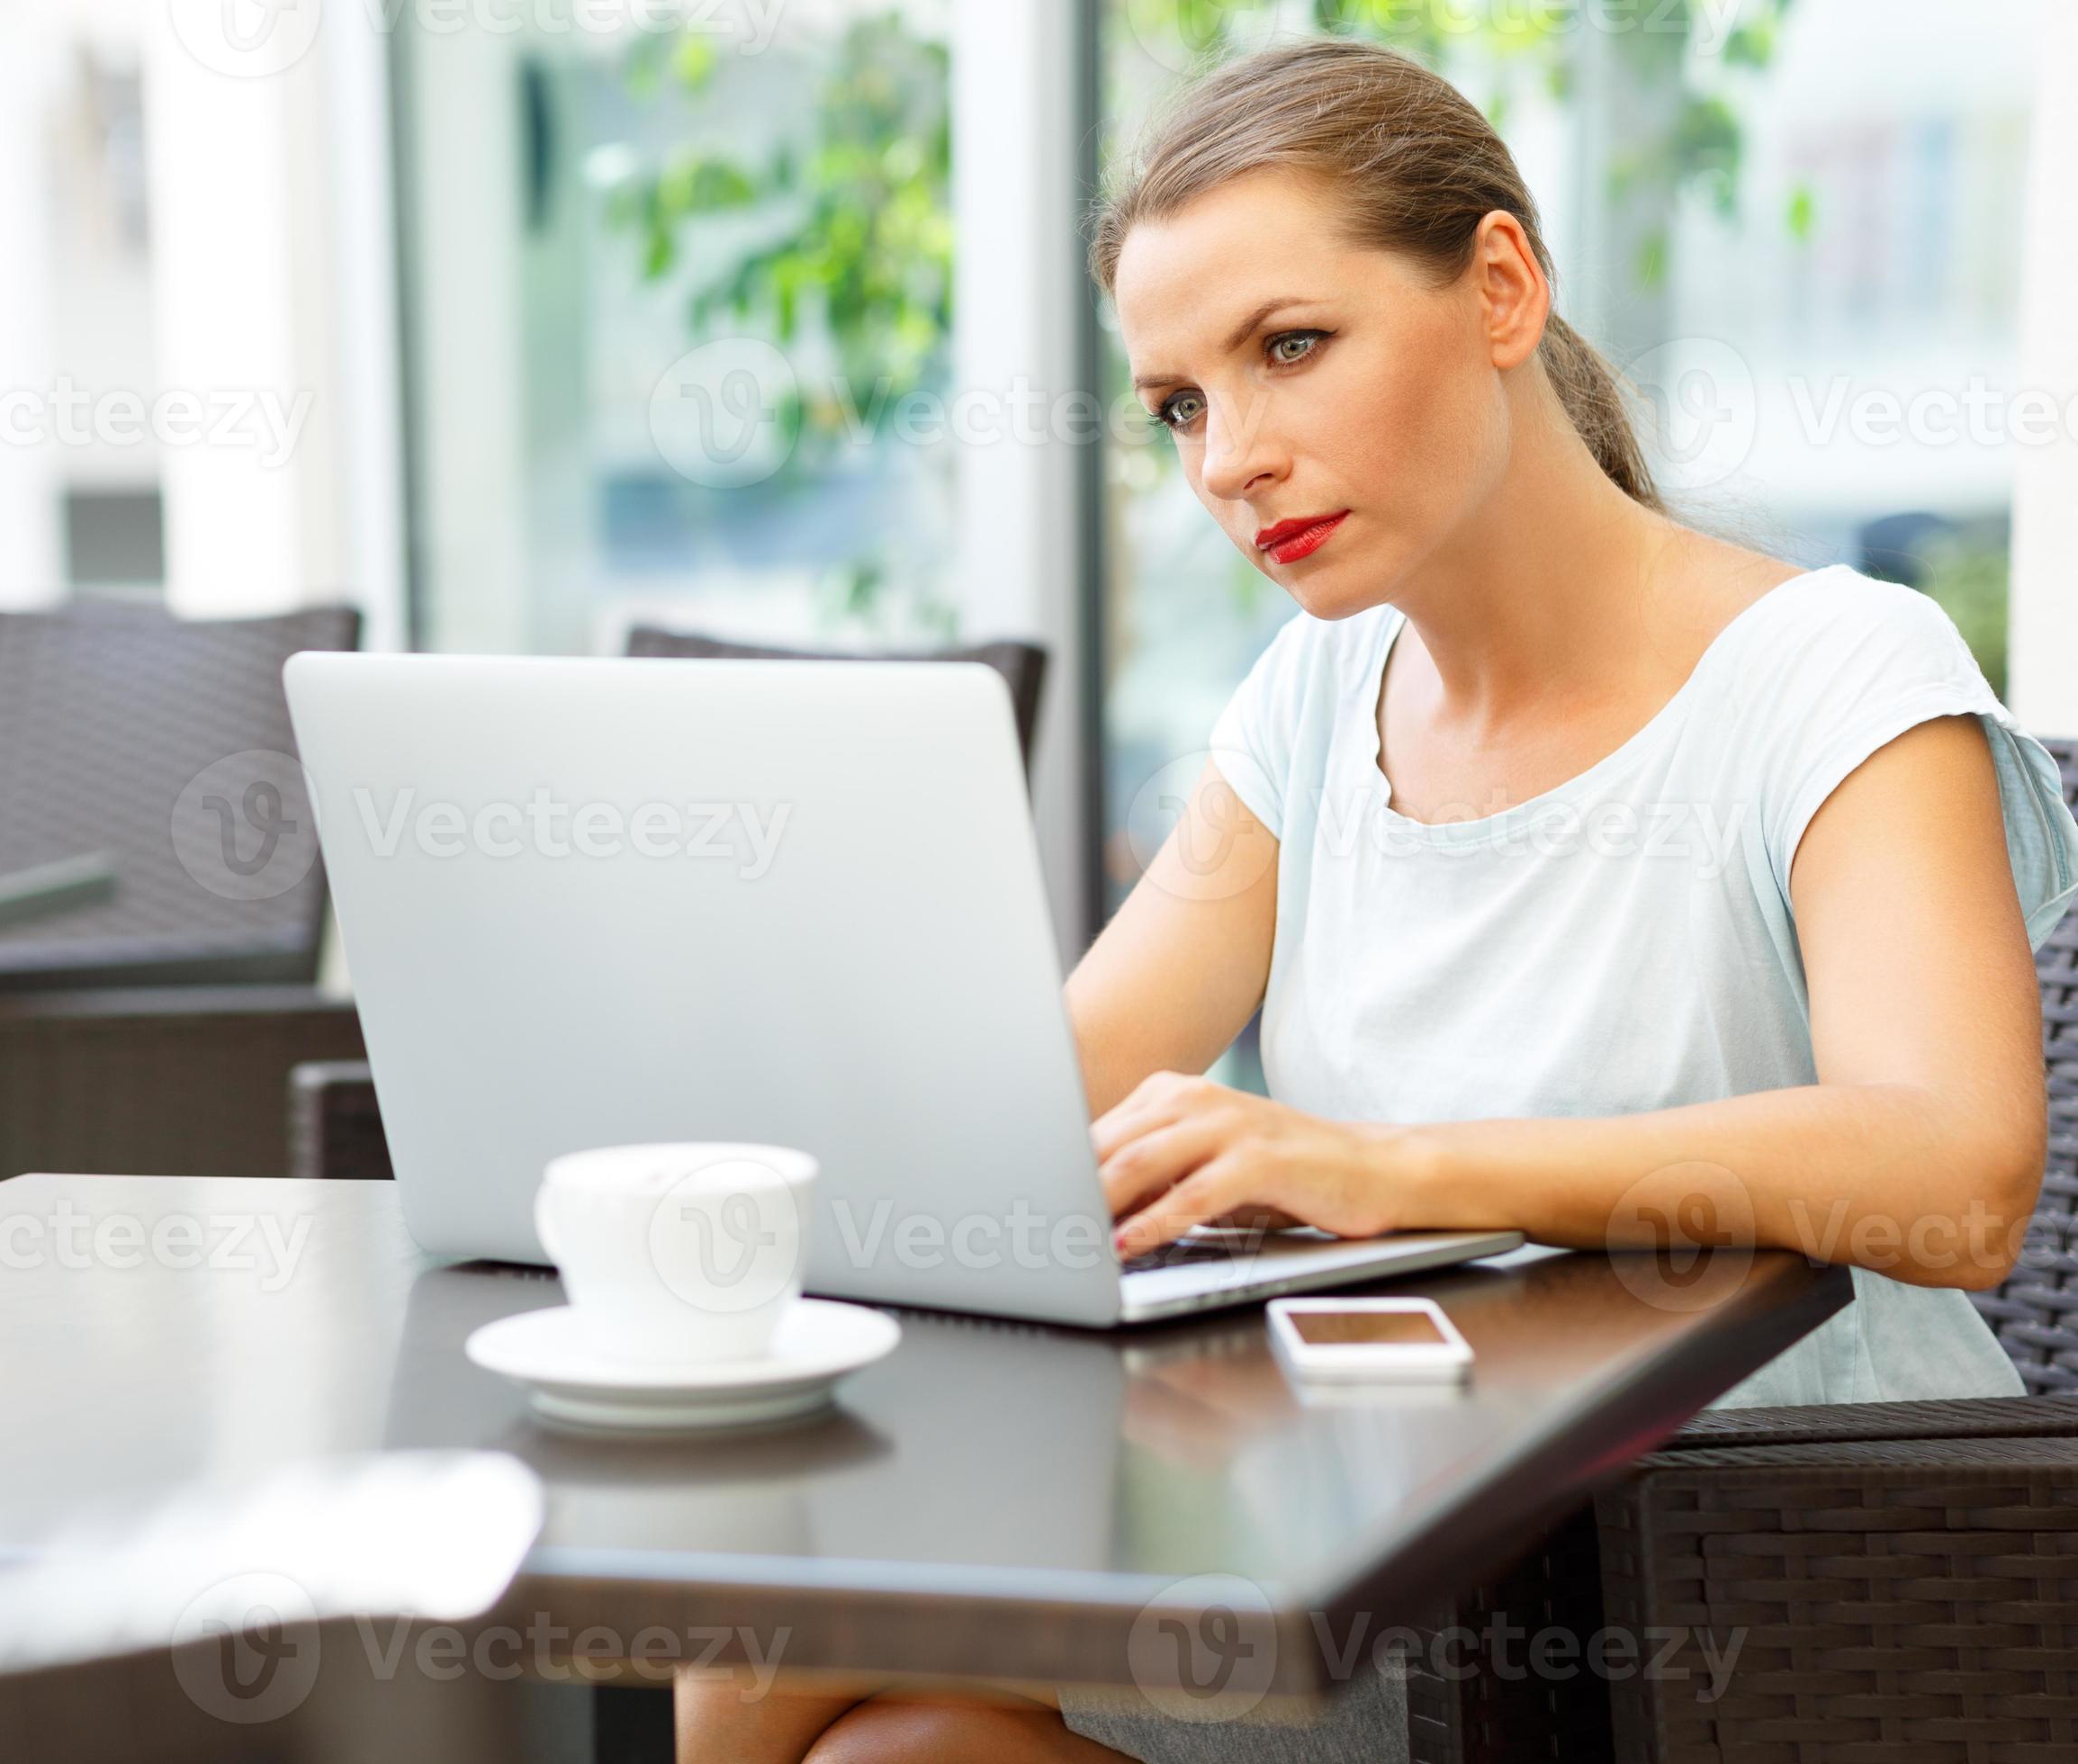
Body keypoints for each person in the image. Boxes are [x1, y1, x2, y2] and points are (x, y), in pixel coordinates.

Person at [676, 35, 2078, 1763]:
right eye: (1183, 403)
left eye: (1290, 349)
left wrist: (1387, 1175)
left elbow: (1957, 1178)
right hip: (1374, 1544)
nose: (1228, 459)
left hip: (1741, 1588)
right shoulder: (1312, 706)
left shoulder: (1836, 669)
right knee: (795, 1658)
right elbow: (1048, 1090)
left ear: (1500, 286)